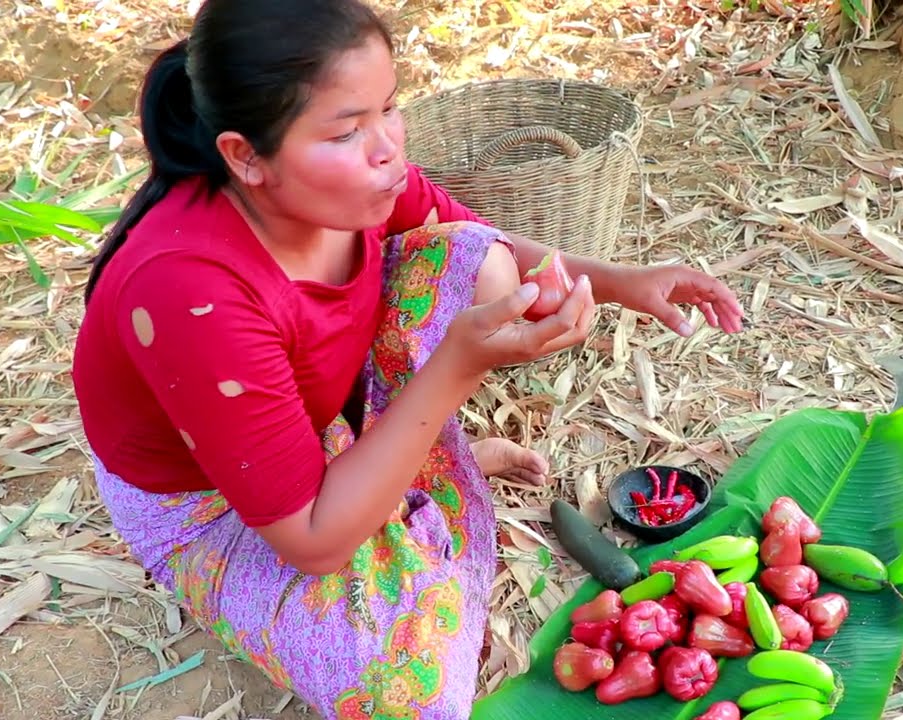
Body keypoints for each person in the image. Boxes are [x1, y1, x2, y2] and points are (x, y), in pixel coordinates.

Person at [70, 1, 745, 718]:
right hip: (211, 504)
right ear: (244, 156)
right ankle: (395, 470)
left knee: (481, 264)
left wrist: (620, 282)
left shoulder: (353, 185)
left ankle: (390, 466)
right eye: (348, 130)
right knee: (402, 690)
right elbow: (311, 543)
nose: (389, 144)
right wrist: (455, 367)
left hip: (310, 408)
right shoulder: (191, 294)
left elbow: (469, 234)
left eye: (388, 108)